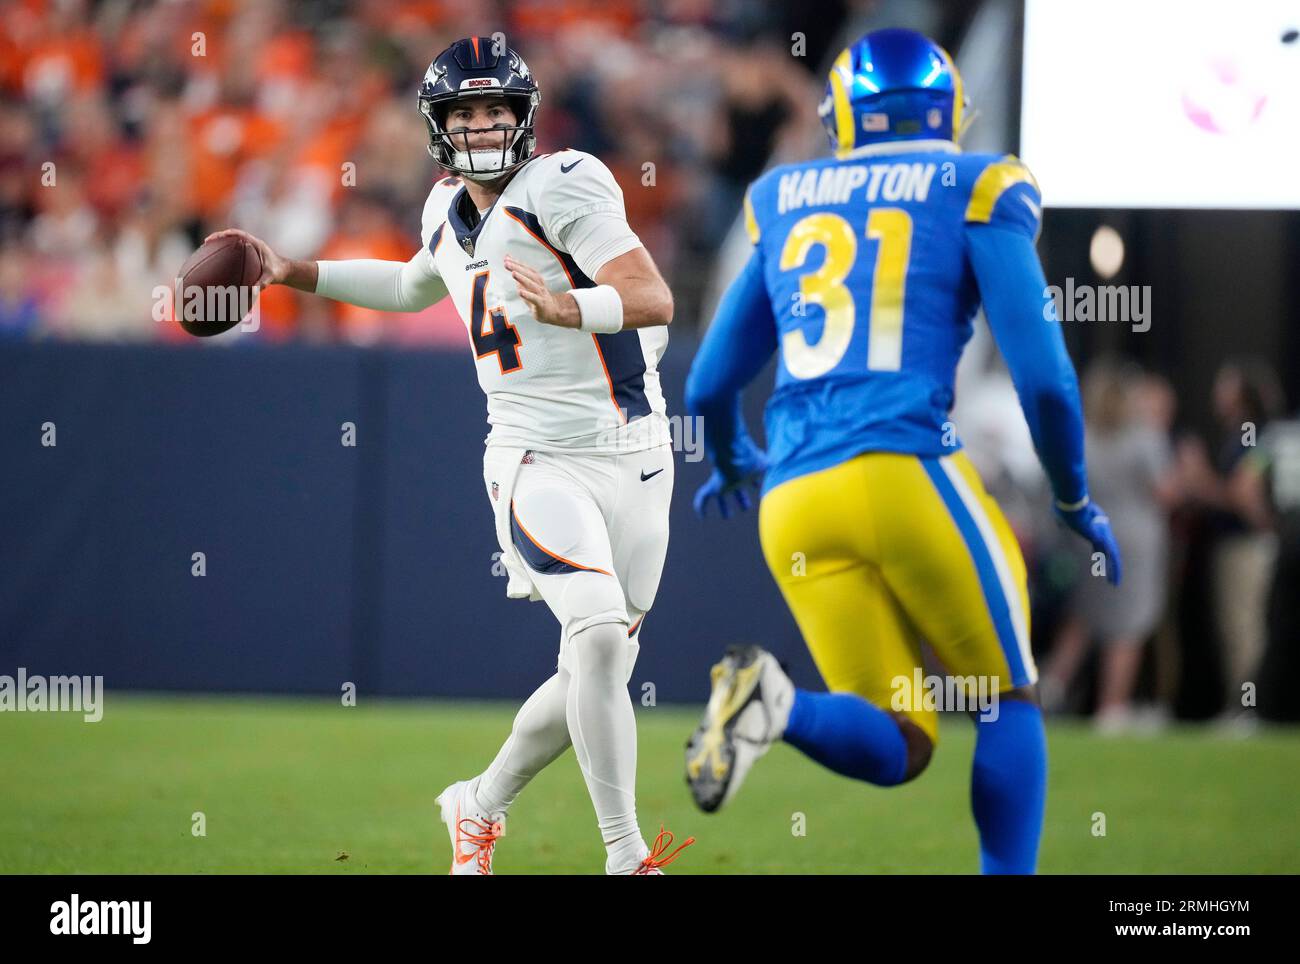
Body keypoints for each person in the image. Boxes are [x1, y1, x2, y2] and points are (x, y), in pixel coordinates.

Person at [207, 37, 690, 875]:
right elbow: (407, 286)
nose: (480, 125)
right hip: (535, 458)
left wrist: (573, 308)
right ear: (437, 125)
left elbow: (653, 296)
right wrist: (290, 269)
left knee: (595, 661)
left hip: (639, 455)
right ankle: (627, 856)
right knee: (602, 641)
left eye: (495, 109)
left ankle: (479, 803)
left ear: (524, 118)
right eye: (463, 112)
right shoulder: (442, 210)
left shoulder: (563, 185)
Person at [682, 28, 1120, 874]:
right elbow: (1046, 381)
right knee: (1006, 699)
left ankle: (773, 701)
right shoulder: (975, 182)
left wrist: (735, 459)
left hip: (796, 495)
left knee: (902, 740)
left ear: (841, 117)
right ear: (948, 109)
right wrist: (1072, 496)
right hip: (907, 467)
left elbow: (707, 383)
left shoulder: (784, 195)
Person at [1040, 359, 1177, 732]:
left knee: (1083, 619)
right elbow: (1165, 492)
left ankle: (1050, 688)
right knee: (1126, 628)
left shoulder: (1080, 437)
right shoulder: (1145, 437)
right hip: (1135, 546)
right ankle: (1111, 708)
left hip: (1091, 539)